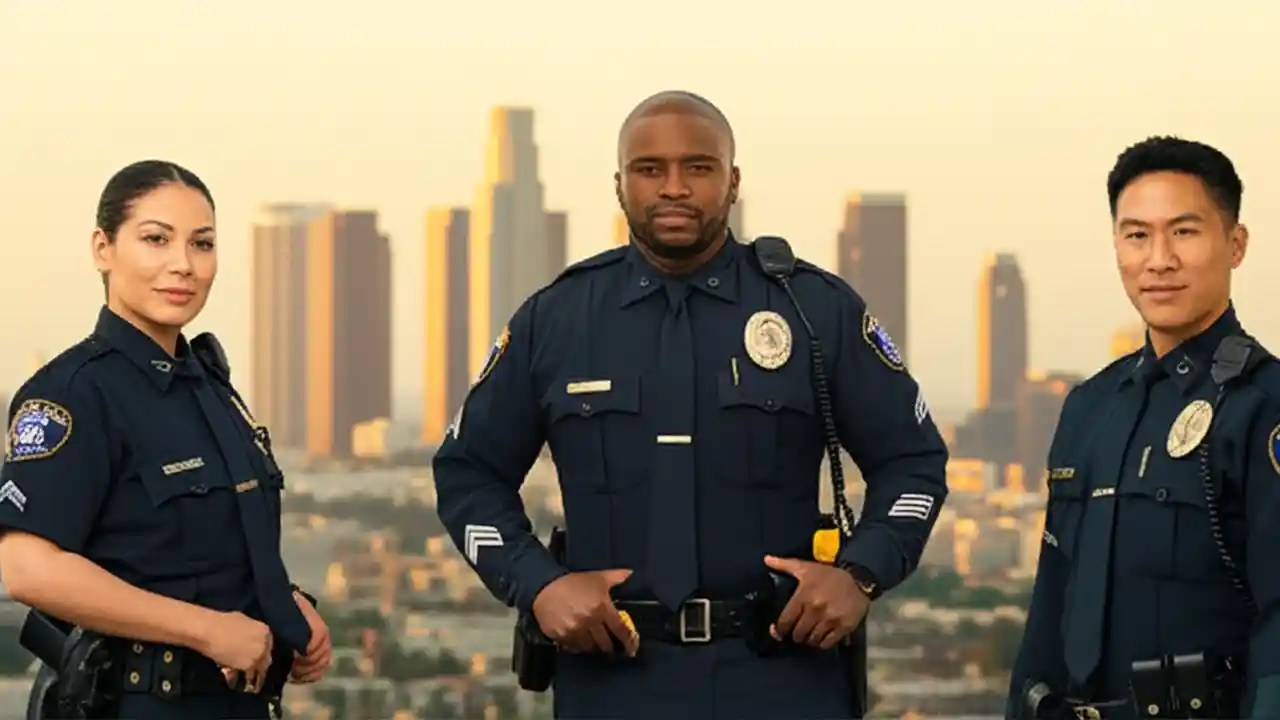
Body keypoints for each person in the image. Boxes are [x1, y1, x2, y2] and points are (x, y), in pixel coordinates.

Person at [432, 90, 949, 719]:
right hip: (613, 680)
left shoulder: (814, 311)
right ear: (620, 185)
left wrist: (860, 573)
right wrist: (537, 584)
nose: (673, 188)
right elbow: (467, 474)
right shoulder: (558, 320)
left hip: (784, 675)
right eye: (650, 170)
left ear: (733, 181)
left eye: (698, 168)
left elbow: (913, 460)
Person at [0, 160, 333, 719]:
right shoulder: (75, 393)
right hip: (140, 702)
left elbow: (191, 546)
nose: (183, 265)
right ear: (103, 249)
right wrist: (206, 631)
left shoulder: (207, 387)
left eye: (202, 245)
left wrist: (284, 603)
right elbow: (28, 567)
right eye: (156, 239)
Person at [1007, 136, 1280, 719]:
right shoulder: (1089, 407)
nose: (1159, 259)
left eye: (1184, 231)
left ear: (1236, 244)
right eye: (1137, 235)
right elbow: (1050, 606)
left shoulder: (1263, 407)